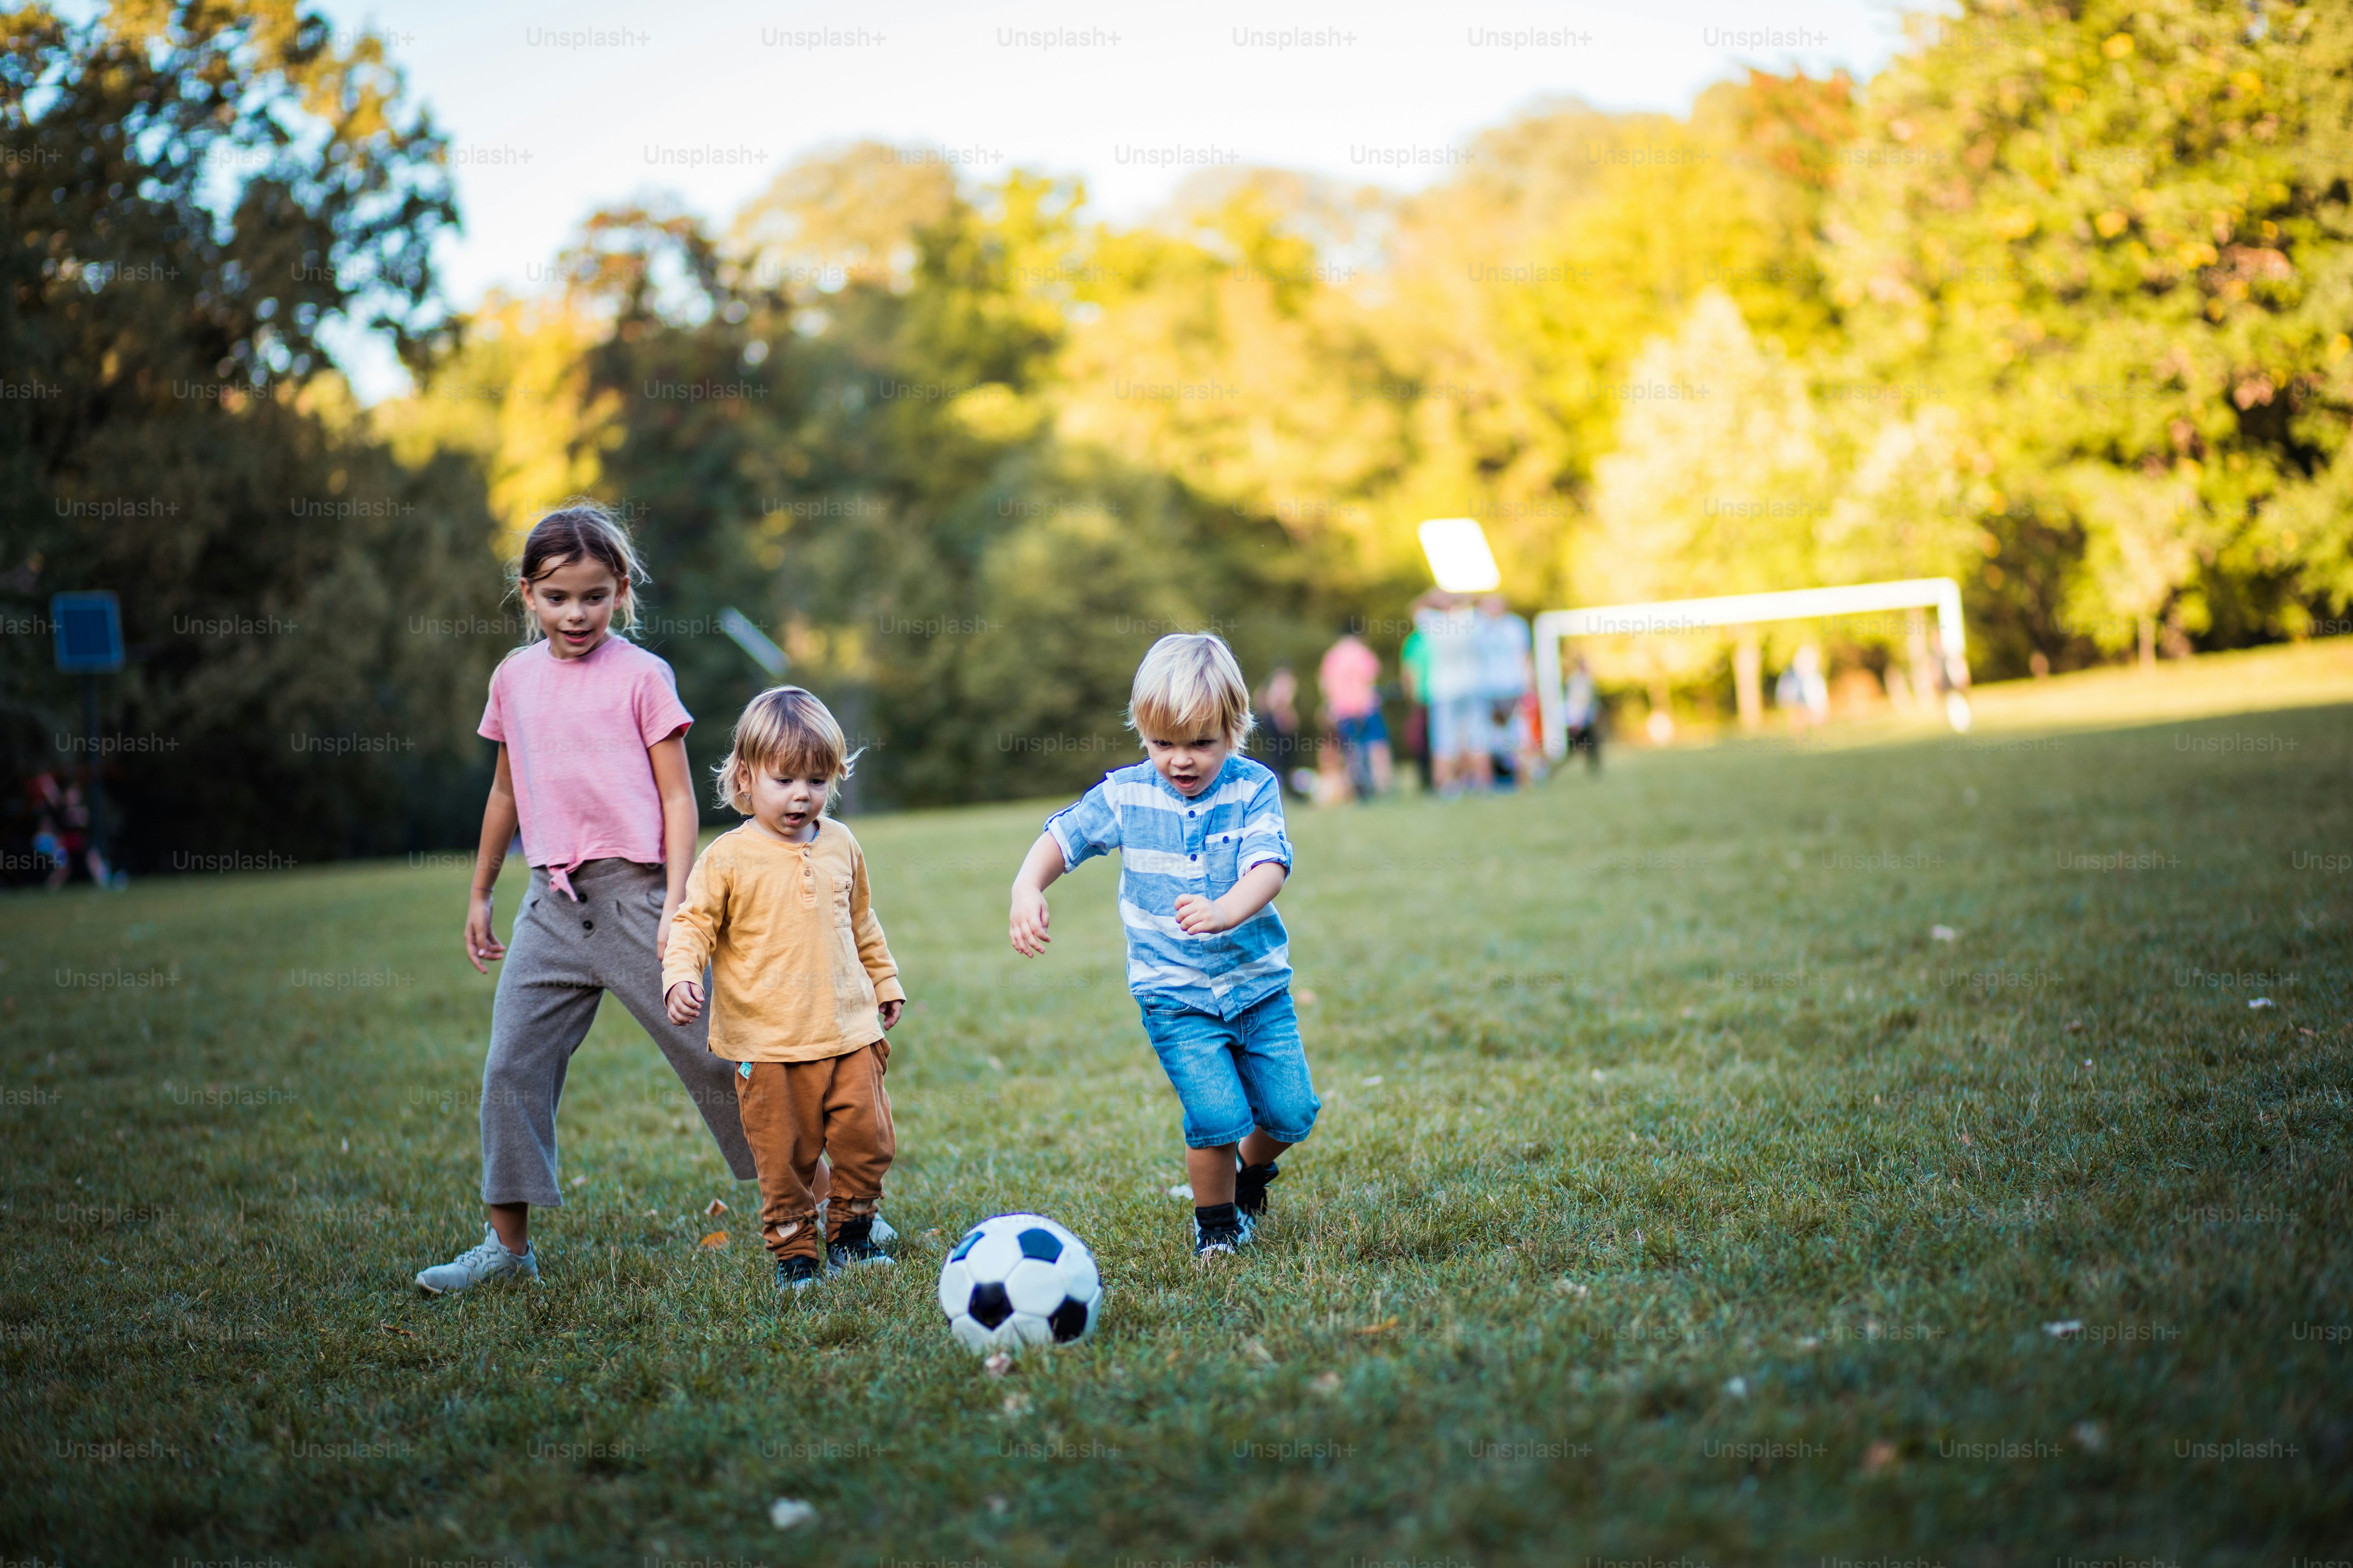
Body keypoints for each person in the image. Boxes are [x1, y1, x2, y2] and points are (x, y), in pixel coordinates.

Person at [416, 501, 761, 1296]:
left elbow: (679, 799)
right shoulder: (513, 678)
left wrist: (680, 901)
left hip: (640, 898)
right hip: (550, 905)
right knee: (512, 1065)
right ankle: (507, 1248)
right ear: (528, 593)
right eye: (558, 595)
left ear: (623, 591)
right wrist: (480, 893)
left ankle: (823, 1207)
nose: (577, 613)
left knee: (718, 1055)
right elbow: (505, 791)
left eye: (595, 595)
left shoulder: (643, 676)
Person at [1007, 633, 1319, 1260]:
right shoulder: (1126, 794)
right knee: (1214, 1116)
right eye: (1162, 743)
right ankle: (1217, 1227)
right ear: (1141, 732)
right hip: (1174, 996)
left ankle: (1249, 1173)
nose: (1180, 759)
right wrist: (1025, 886)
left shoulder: (1253, 787)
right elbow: (1063, 837)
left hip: (1257, 985)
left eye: (1200, 742)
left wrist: (1225, 909)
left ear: (1233, 730)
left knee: (1291, 1113)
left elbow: (1269, 865)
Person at [663, 686, 907, 1294]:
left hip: (850, 1029)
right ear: (745, 778)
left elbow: (862, 921)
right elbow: (692, 924)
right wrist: (681, 974)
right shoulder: (728, 858)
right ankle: (795, 1255)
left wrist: (885, 979)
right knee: (783, 1161)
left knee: (867, 1141)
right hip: (769, 1045)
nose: (802, 794)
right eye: (785, 779)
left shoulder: (841, 844)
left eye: (817, 779)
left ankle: (851, 1235)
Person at [1414, 593, 1487, 795]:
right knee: (1477, 737)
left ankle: (1445, 785)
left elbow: (1416, 608)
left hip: (1443, 689)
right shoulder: (1471, 620)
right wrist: (1462, 595)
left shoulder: (1433, 622)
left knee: (1444, 740)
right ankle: (1482, 782)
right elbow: (1482, 604)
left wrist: (1435, 595)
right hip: (1471, 684)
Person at [1474, 595, 1541, 789]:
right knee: (1486, 738)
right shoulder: (1476, 627)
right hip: (1486, 691)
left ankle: (1524, 780)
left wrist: (1530, 684)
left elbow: (1525, 656)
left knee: (1519, 734)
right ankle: (1488, 782)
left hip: (1513, 689)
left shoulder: (1515, 626)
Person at [1318, 629, 1391, 798]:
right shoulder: (1363, 652)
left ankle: (1358, 786)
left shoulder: (1332, 656)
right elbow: (1371, 679)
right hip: (1367, 706)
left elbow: (1325, 686)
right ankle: (1382, 786)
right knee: (1377, 747)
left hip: (1343, 710)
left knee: (1351, 750)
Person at [1561, 655, 1602, 772]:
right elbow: (1576, 702)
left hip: (1587, 720)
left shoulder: (1587, 680)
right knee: (1574, 747)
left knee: (1592, 745)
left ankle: (1594, 767)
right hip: (1578, 720)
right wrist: (1576, 720)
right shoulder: (1576, 681)